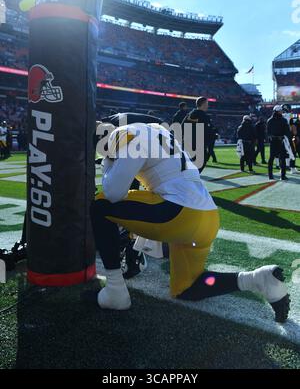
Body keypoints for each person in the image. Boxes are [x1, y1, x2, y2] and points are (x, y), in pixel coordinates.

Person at [89, 122, 290, 322]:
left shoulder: (124, 135)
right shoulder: (157, 131)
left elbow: (114, 192)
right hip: (207, 216)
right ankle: (257, 279)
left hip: (177, 212)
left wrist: (107, 162)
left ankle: (115, 290)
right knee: (186, 288)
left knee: (100, 204)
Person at [182, 97, 213, 173]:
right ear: (203, 104)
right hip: (199, 145)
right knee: (198, 166)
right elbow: (207, 131)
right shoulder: (204, 116)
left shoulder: (189, 114)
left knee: (187, 165)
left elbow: (182, 127)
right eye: (207, 104)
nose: (207, 106)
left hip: (187, 144)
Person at [267, 106, 290, 181]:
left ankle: (277, 176)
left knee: (278, 158)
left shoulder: (270, 120)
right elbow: (287, 131)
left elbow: (267, 132)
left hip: (277, 141)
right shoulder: (283, 120)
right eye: (280, 110)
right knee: (277, 158)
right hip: (277, 141)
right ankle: (277, 176)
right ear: (276, 111)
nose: (281, 112)